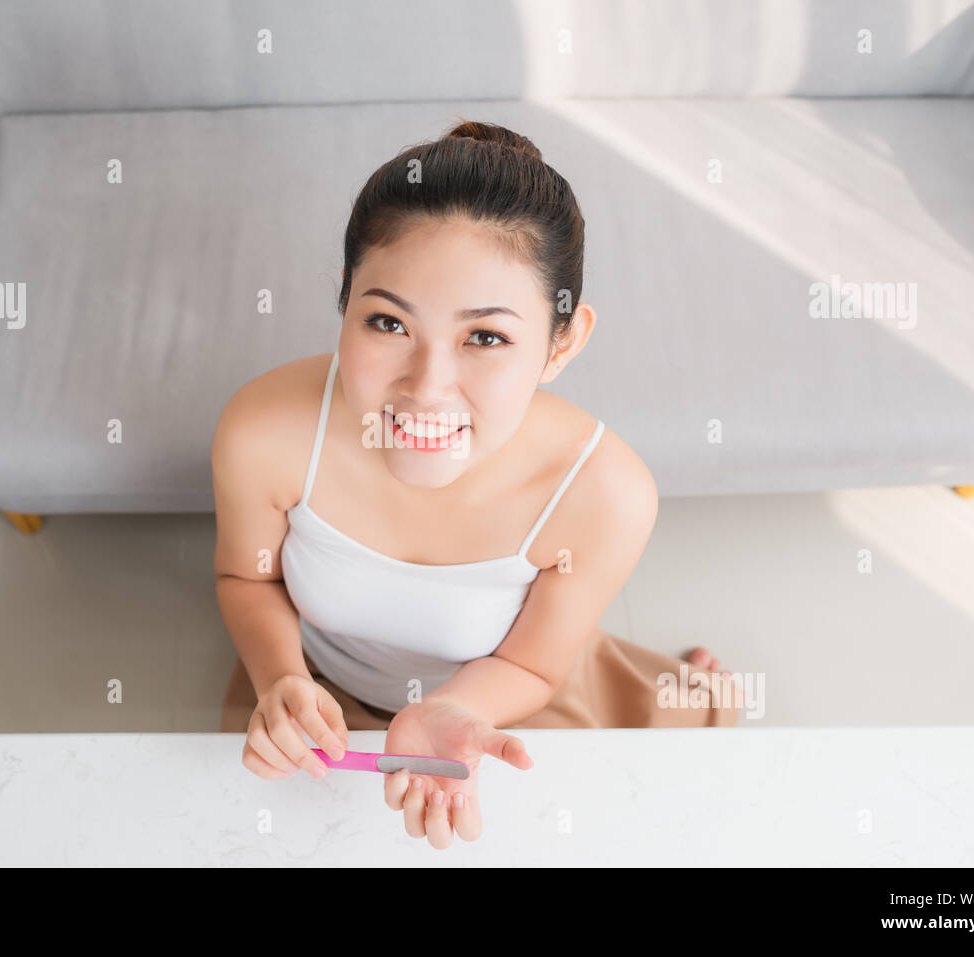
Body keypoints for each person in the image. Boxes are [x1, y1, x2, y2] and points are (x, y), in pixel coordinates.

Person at [213, 118, 741, 851]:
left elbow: (530, 660)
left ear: (563, 342)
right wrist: (279, 679)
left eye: (485, 337)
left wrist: (450, 707)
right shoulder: (262, 430)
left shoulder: (605, 491)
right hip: (313, 690)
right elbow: (246, 577)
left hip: (495, 705)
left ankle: (672, 687)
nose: (426, 388)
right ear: (345, 300)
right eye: (387, 322)